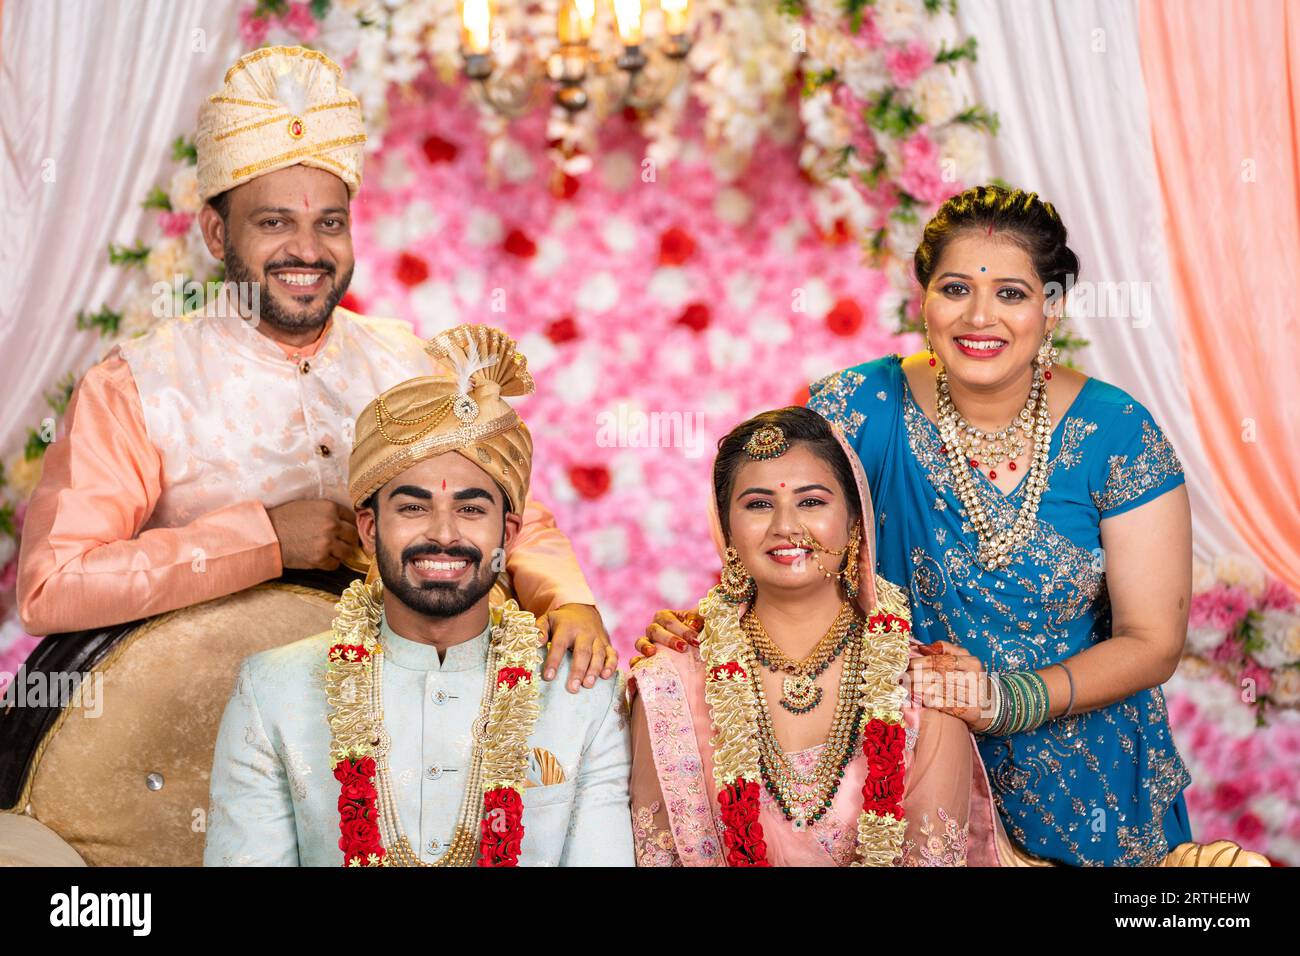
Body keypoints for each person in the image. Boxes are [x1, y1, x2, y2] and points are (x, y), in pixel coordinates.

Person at [16, 46, 614, 691]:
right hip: (201, 729)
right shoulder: (138, 384)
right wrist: (262, 539)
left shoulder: (409, 361)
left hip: (413, 720)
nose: (307, 249)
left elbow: (503, 511)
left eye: (329, 223)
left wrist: (567, 598)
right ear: (217, 235)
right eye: (274, 222)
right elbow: (54, 585)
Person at [644, 184, 1193, 866]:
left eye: (1012, 294)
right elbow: (770, 502)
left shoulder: (1116, 433)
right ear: (923, 299)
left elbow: (1153, 641)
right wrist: (717, 620)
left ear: (1051, 308)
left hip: (1088, 791)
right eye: (956, 288)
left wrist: (1001, 700)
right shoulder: (862, 408)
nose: (980, 317)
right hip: (906, 773)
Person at [204, 325, 634, 866]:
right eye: (412, 508)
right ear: (368, 528)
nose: (444, 534)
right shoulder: (273, 692)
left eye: (473, 510)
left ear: (508, 533)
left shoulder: (580, 695)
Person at [628, 406, 1004, 866]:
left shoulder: (922, 685)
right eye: (758, 504)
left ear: (855, 523)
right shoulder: (670, 684)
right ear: (726, 531)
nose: (786, 526)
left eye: (811, 501)